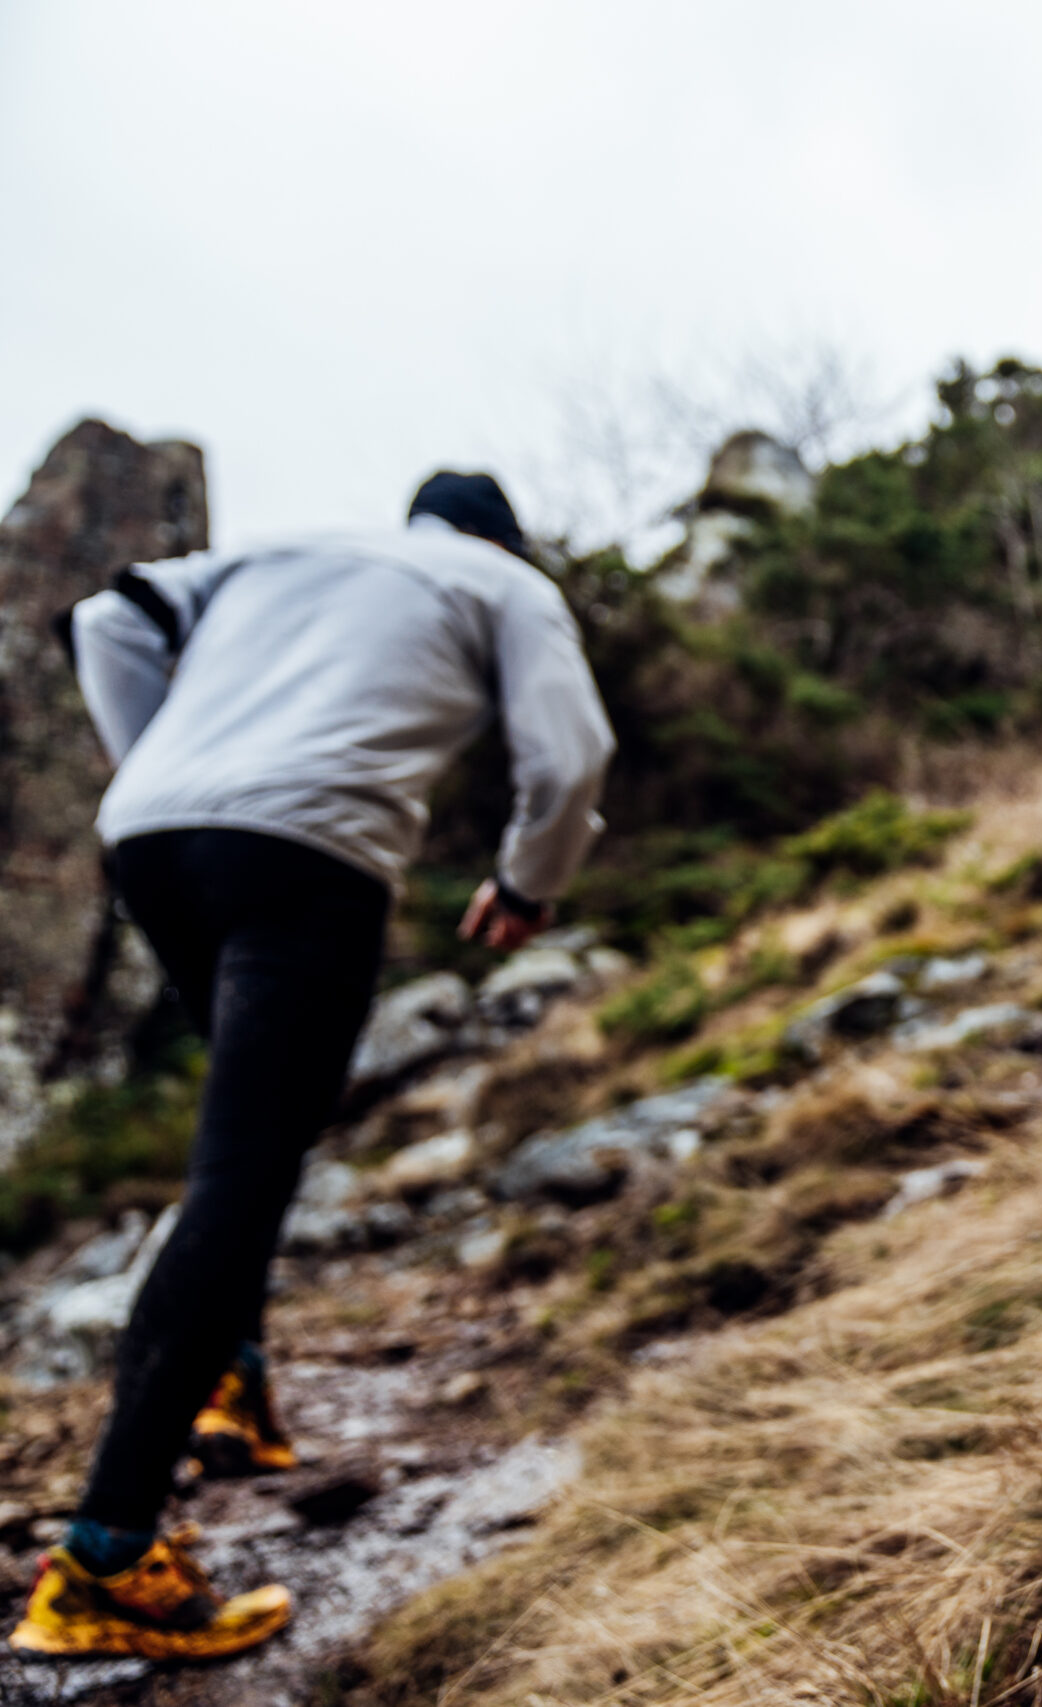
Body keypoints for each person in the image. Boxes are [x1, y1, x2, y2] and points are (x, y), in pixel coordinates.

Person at [11, 473, 614, 1661]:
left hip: (153, 840)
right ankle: (104, 1557)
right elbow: (572, 750)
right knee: (247, 1169)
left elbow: (105, 620)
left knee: (246, 1140)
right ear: (502, 536)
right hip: (309, 856)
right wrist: (532, 880)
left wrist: (161, 763)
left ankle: (230, 1372)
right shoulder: (502, 580)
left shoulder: (286, 549)